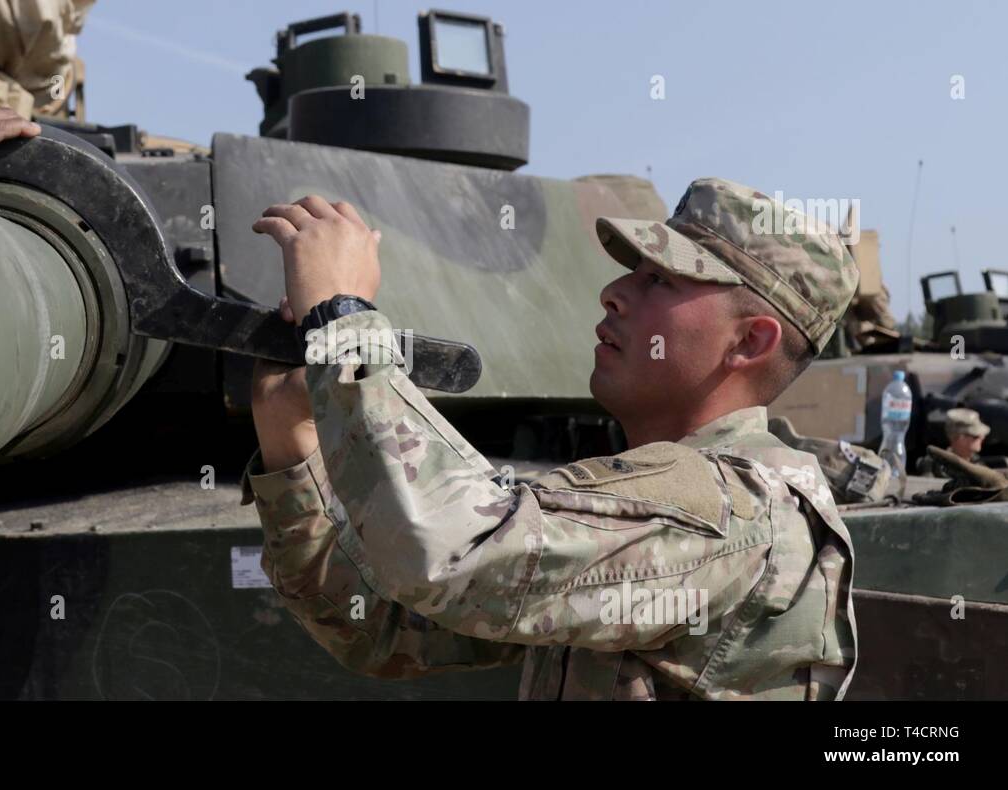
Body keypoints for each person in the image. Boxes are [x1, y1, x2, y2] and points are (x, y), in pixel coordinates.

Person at [241, 178, 860, 700]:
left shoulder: (731, 506)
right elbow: (385, 626)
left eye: (660, 281)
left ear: (750, 341)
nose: (614, 293)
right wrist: (289, 435)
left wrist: (341, 317)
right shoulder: (647, 492)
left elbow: (451, 552)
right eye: (634, 272)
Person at [917, 408, 996, 477]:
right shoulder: (932, 464)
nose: (982, 437)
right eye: (976, 436)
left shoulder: (979, 464)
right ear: (960, 438)